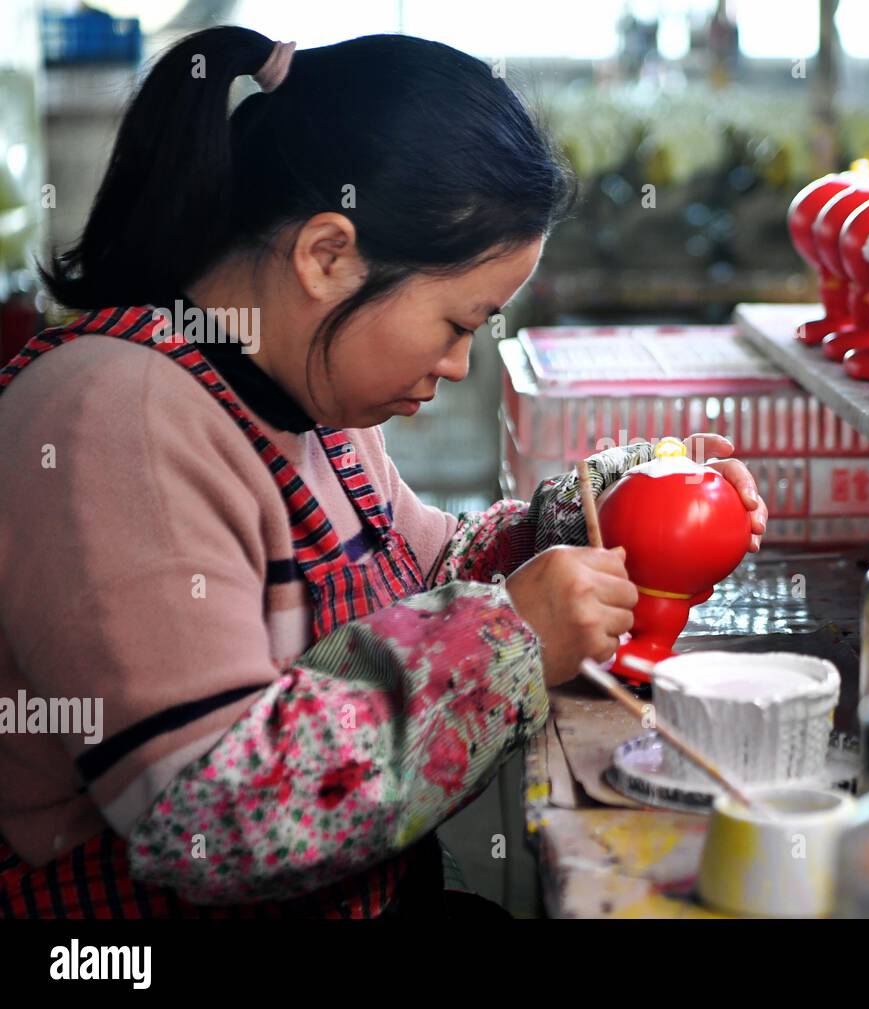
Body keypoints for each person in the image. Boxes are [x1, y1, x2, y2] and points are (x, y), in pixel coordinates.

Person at [0, 27, 767, 918]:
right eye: (457, 323)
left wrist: (606, 519)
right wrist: (513, 642)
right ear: (327, 255)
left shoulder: (297, 395)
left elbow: (423, 578)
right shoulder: (114, 422)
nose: (457, 364)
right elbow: (218, 808)